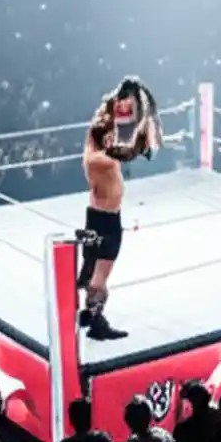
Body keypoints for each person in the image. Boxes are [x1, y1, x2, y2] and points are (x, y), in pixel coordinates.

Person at [77, 77, 161, 341]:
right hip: (105, 221)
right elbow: (122, 150)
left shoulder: (100, 141)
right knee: (99, 281)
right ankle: (97, 324)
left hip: (100, 217)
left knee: (91, 274)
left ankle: (87, 315)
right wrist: (140, 138)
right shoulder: (98, 156)